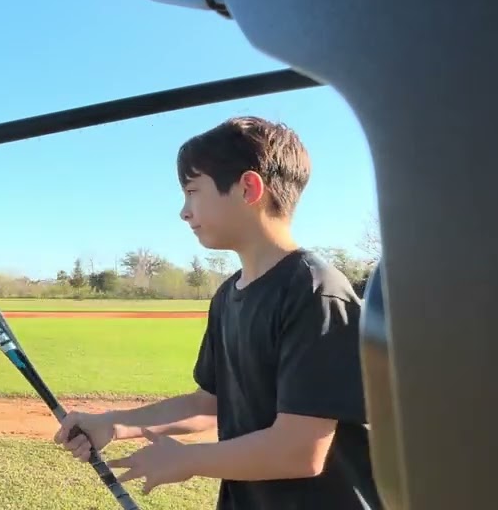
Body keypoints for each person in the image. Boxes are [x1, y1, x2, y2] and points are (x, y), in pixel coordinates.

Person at [54, 116, 380, 508]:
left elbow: (300, 450)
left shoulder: (315, 293)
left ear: (248, 188)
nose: (184, 212)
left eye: (193, 192)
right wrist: (113, 423)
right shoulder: (228, 295)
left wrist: (188, 459)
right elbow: (206, 405)